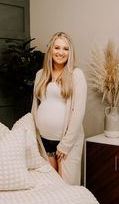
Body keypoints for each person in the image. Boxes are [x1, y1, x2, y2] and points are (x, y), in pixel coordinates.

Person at [31, 31, 87, 185]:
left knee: (66, 186)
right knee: (50, 185)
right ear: (51, 50)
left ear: (70, 52)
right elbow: (34, 107)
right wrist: (34, 137)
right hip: (43, 140)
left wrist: (66, 144)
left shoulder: (76, 75)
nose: (61, 52)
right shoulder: (40, 74)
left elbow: (78, 112)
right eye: (57, 48)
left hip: (66, 141)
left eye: (65, 49)